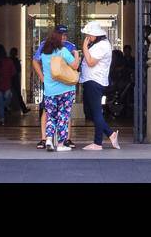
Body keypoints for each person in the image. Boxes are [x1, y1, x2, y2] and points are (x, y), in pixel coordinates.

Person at [32, 25, 77, 148]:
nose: (64, 37)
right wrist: (42, 77)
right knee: (62, 114)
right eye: (62, 35)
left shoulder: (51, 49)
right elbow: (75, 66)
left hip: (52, 89)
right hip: (64, 88)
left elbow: (37, 60)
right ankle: (56, 142)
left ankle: (52, 139)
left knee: (52, 115)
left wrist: (44, 78)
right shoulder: (60, 49)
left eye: (65, 34)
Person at [79, 21, 118, 151]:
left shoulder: (102, 46)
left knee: (95, 112)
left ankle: (99, 142)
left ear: (96, 34)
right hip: (90, 80)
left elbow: (90, 62)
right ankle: (108, 136)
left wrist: (84, 47)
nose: (87, 37)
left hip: (94, 81)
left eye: (89, 35)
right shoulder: (98, 44)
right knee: (91, 112)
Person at [0, 44, 14, 125]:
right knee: (4, 102)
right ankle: (1, 118)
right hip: (6, 85)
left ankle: (1, 118)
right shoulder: (9, 61)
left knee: (0, 103)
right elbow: (13, 74)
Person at [9, 47, 28, 114]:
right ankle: (23, 108)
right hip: (15, 79)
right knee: (18, 94)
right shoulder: (16, 61)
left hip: (9, 79)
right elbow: (19, 70)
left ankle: (10, 108)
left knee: (10, 94)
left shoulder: (9, 60)